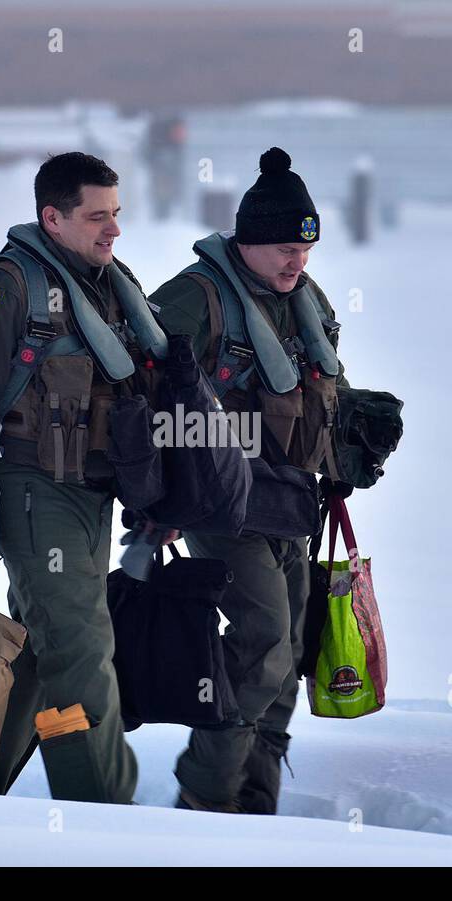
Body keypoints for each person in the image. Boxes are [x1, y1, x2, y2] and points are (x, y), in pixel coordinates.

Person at [0, 151, 167, 804]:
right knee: (81, 655)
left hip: (95, 502)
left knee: (38, 650)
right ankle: (103, 814)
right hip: (36, 498)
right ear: (52, 218)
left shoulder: (116, 287)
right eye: (97, 217)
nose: (113, 231)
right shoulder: (2, 290)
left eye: (116, 215)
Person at [148, 147, 355, 813]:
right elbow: (135, 391)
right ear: (246, 240)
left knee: (290, 651)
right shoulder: (196, 297)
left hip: (292, 500)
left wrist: (350, 452)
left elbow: (326, 386)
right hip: (222, 506)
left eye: (305, 248)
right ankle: (206, 800)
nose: (297, 262)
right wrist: (158, 493)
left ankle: (253, 806)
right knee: (262, 645)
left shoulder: (304, 298)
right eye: (283, 249)